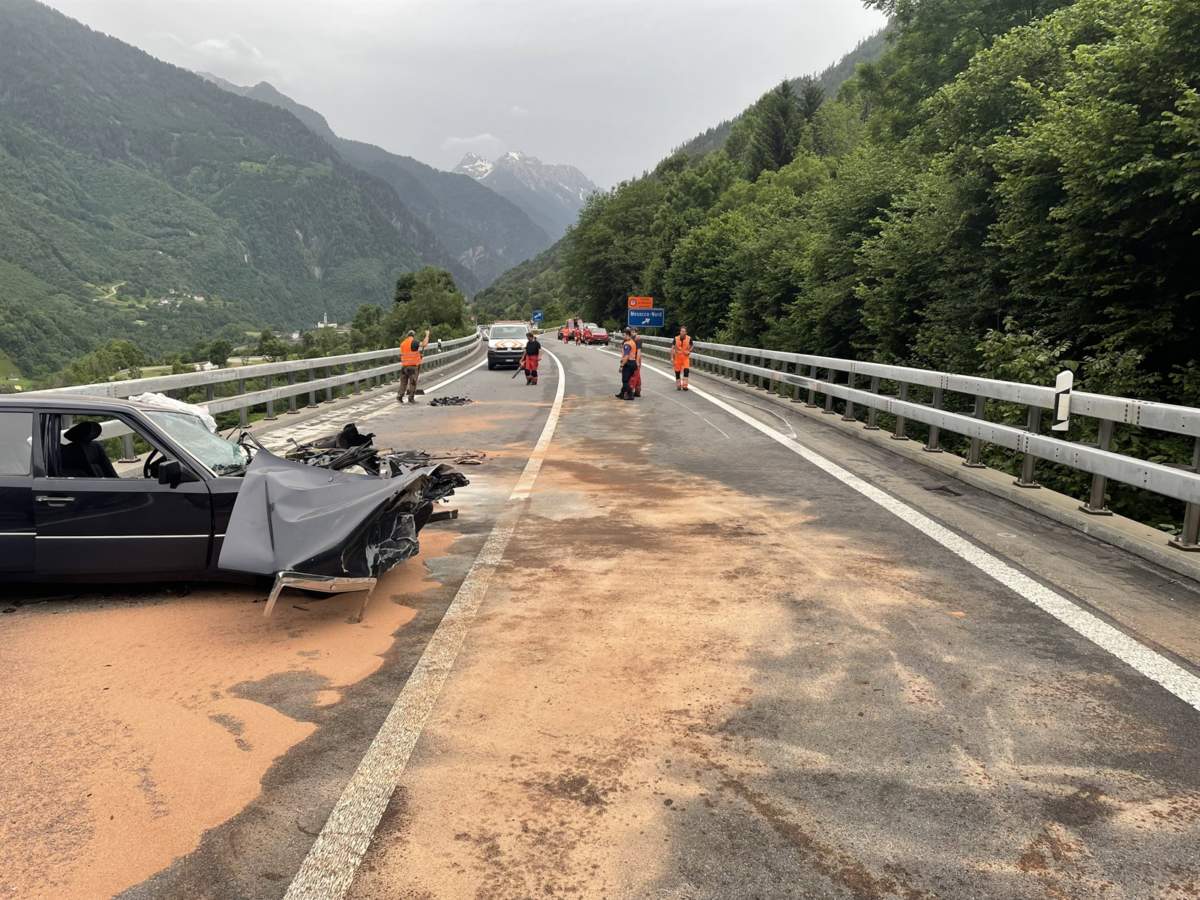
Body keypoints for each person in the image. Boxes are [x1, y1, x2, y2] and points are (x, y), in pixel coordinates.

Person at [397, 328, 430, 404]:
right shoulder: (414, 342)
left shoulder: (403, 343)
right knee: (413, 383)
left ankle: (400, 396)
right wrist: (427, 335)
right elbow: (424, 344)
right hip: (412, 366)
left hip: (404, 367)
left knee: (403, 383)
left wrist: (418, 355)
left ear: (407, 335)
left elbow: (408, 352)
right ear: (413, 335)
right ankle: (411, 398)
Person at [616, 328, 638, 400]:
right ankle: (622, 394)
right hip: (633, 363)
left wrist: (621, 365)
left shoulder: (627, 344)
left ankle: (630, 395)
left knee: (625, 381)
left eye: (624, 335)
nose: (623, 336)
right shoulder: (632, 342)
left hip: (628, 363)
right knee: (627, 380)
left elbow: (626, 356)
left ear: (628, 335)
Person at [672, 325, 694, 391]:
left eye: (684, 331)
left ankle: (685, 386)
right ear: (680, 332)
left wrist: (689, 351)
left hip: (685, 358)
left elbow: (692, 346)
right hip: (677, 358)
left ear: (686, 332)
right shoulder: (676, 338)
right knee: (677, 372)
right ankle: (678, 385)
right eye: (681, 331)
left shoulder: (689, 338)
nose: (682, 332)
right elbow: (672, 348)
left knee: (686, 371)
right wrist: (672, 358)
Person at [628, 328, 644, 398]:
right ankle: (637, 391)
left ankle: (631, 391)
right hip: (631, 358)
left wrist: (637, 361)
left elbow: (639, 351)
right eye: (631, 332)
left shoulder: (638, 339)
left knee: (634, 374)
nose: (632, 333)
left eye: (634, 332)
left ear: (637, 332)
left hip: (636, 358)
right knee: (637, 375)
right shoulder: (630, 338)